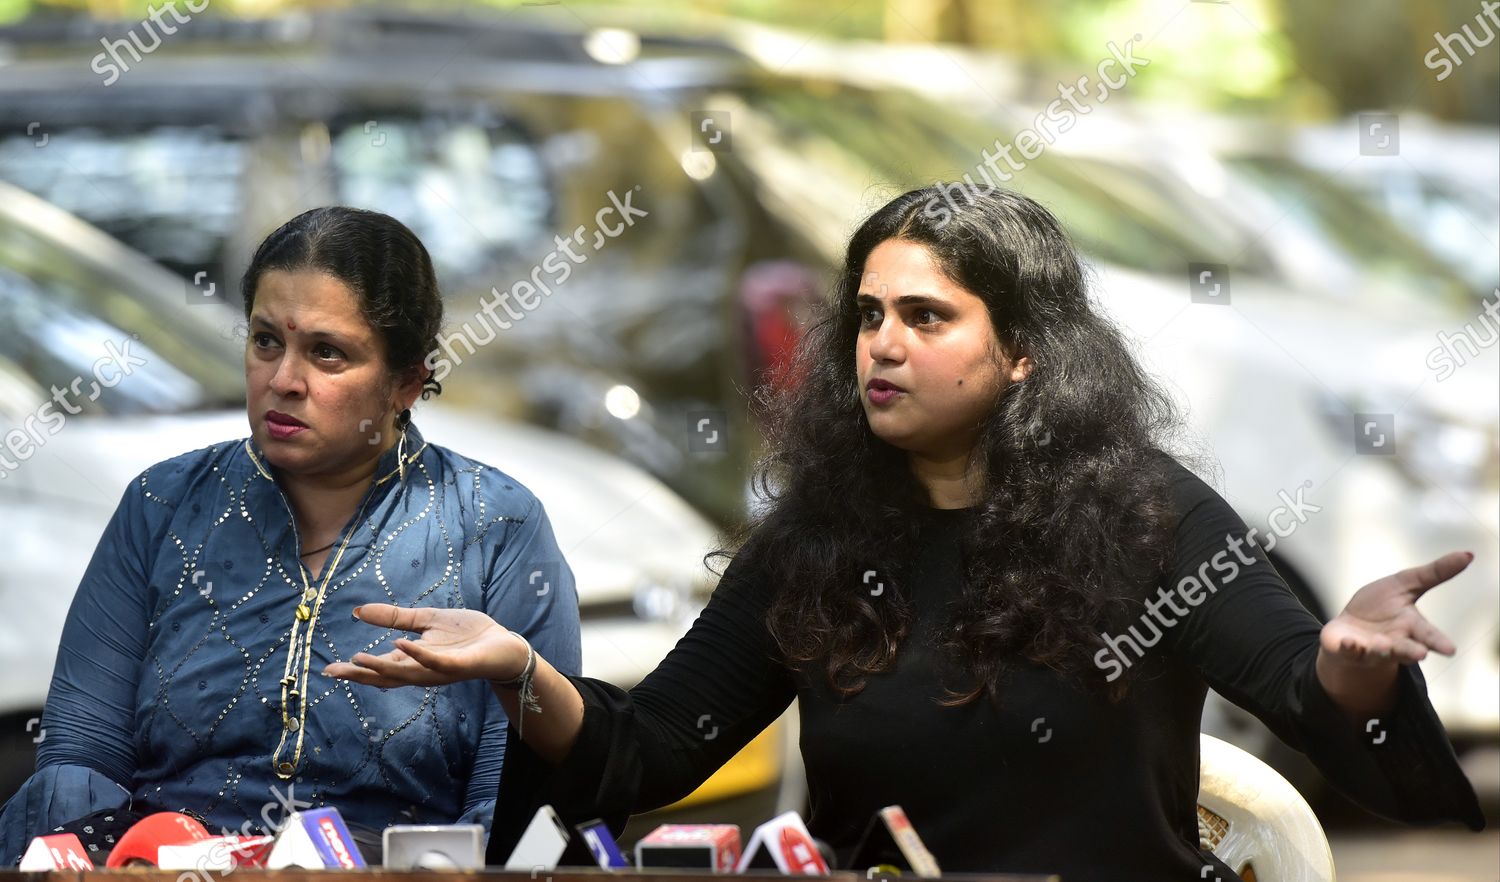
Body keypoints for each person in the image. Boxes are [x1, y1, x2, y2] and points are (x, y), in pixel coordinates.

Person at [325, 187, 1484, 880]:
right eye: (868, 315)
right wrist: (523, 672)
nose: (880, 344)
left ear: (1024, 349)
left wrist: (1349, 671)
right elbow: (652, 750)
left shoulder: (1150, 517)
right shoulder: (821, 537)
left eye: (926, 317)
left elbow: (1318, 707)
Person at [0, 207, 581, 864]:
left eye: (326, 353)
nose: (282, 381)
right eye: (266, 341)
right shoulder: (161, 506)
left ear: (407, 382)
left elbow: (515, 803)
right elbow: (81, 761)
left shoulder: (495, 525)